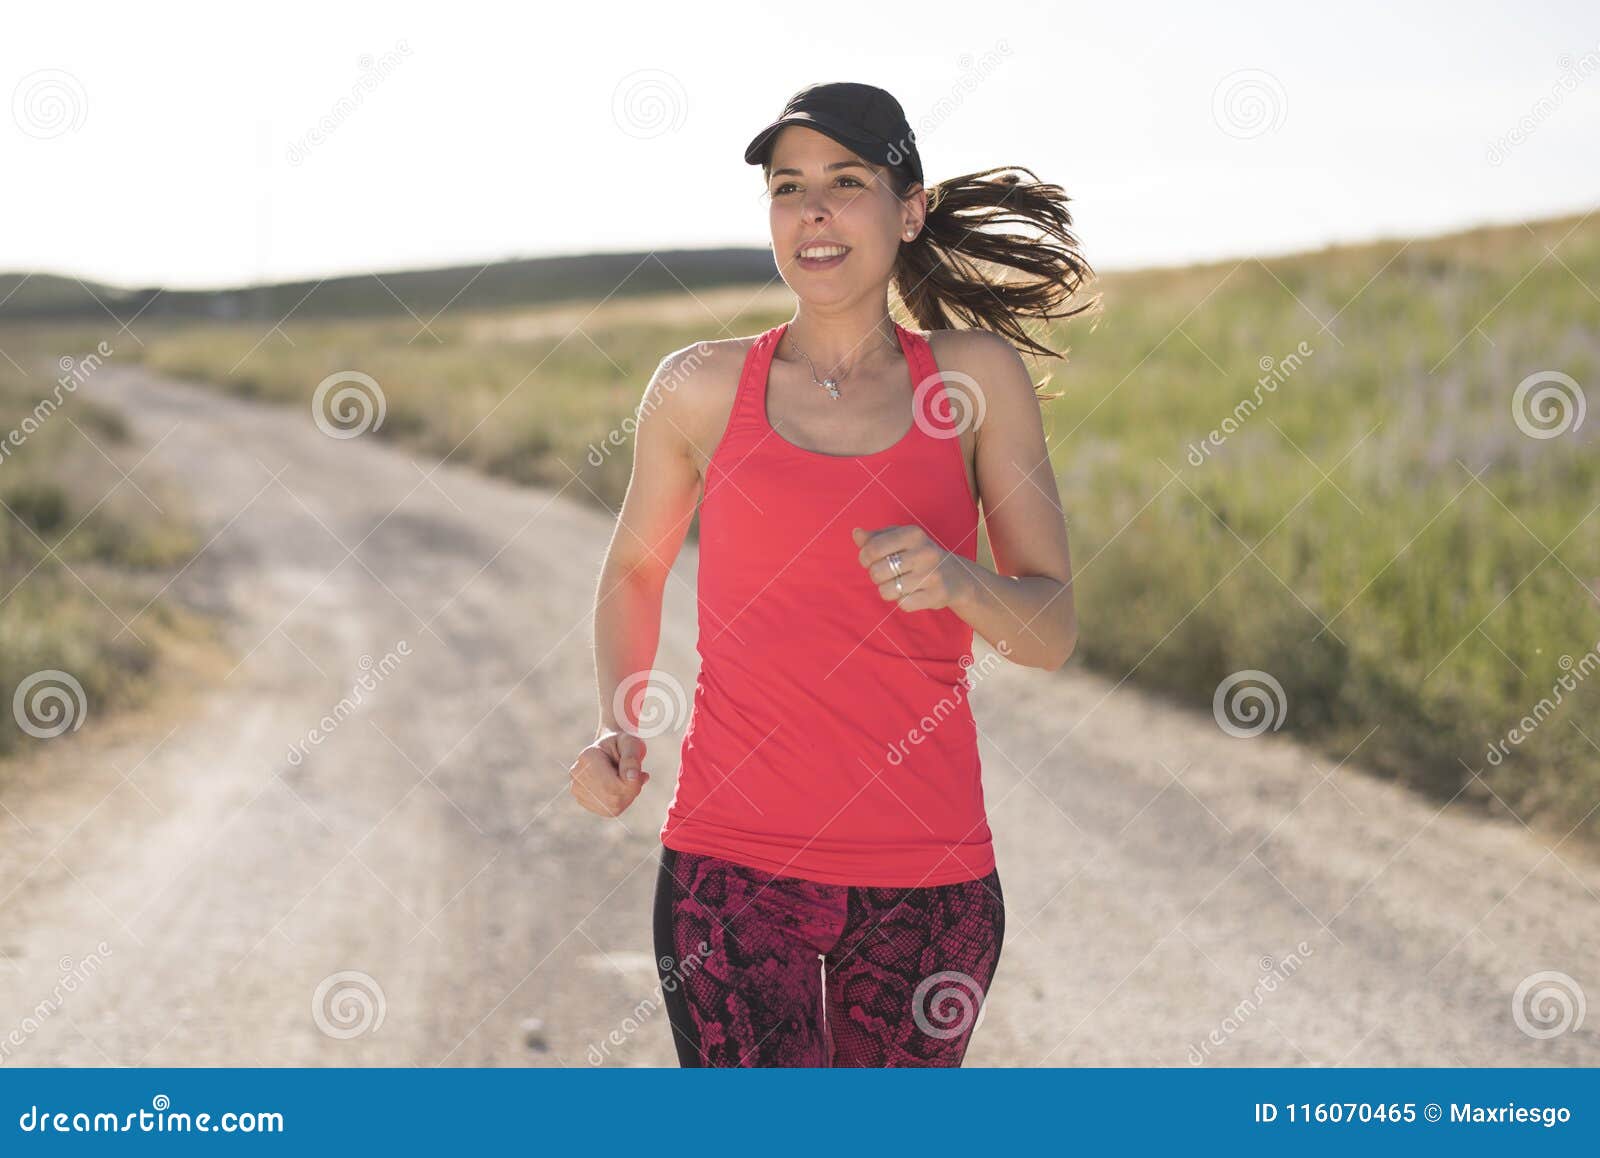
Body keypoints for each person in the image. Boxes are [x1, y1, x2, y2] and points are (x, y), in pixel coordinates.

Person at [569, 81, 1090, 1067]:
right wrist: (616, 723)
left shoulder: (973, 381)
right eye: (787, 186)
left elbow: (1051, 629)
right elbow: (636, 569)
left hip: (929, 883)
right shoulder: (702, 386)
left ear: (909, 210)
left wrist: (960, 581)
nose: (812, 211)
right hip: (733, 869)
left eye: (846, 183)